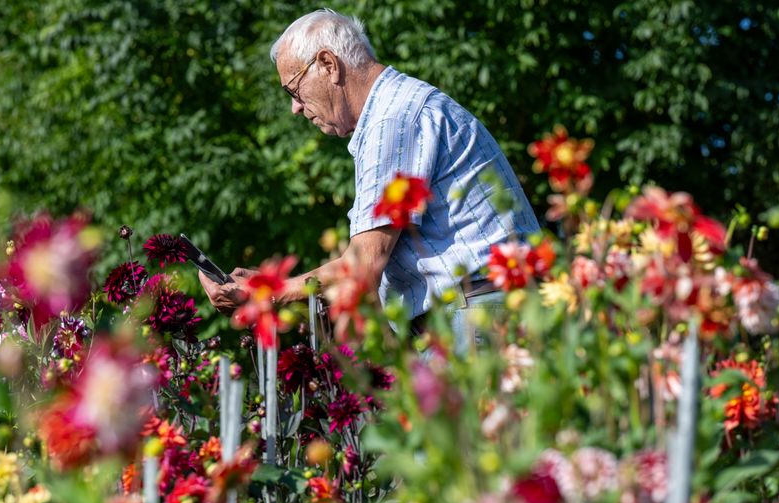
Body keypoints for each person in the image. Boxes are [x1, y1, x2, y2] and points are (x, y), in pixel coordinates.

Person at [199, 8, 540, 353]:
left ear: (329, 65)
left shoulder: (393, 120)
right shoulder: (398, 110)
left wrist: (267, 293)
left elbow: (361, 269)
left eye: (293, 89)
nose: (295, 108)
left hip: (477, 318)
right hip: (481, 311)